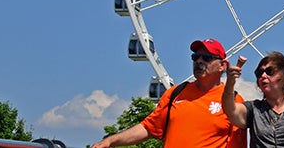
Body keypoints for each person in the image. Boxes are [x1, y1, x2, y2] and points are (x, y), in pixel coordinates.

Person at [93, 38, 245, 148]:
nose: (199, 61)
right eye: (195, 57)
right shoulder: (176, 93)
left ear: (222, 66)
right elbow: (148, 128)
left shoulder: (234, 101)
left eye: (206, 58)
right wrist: (110, 141)